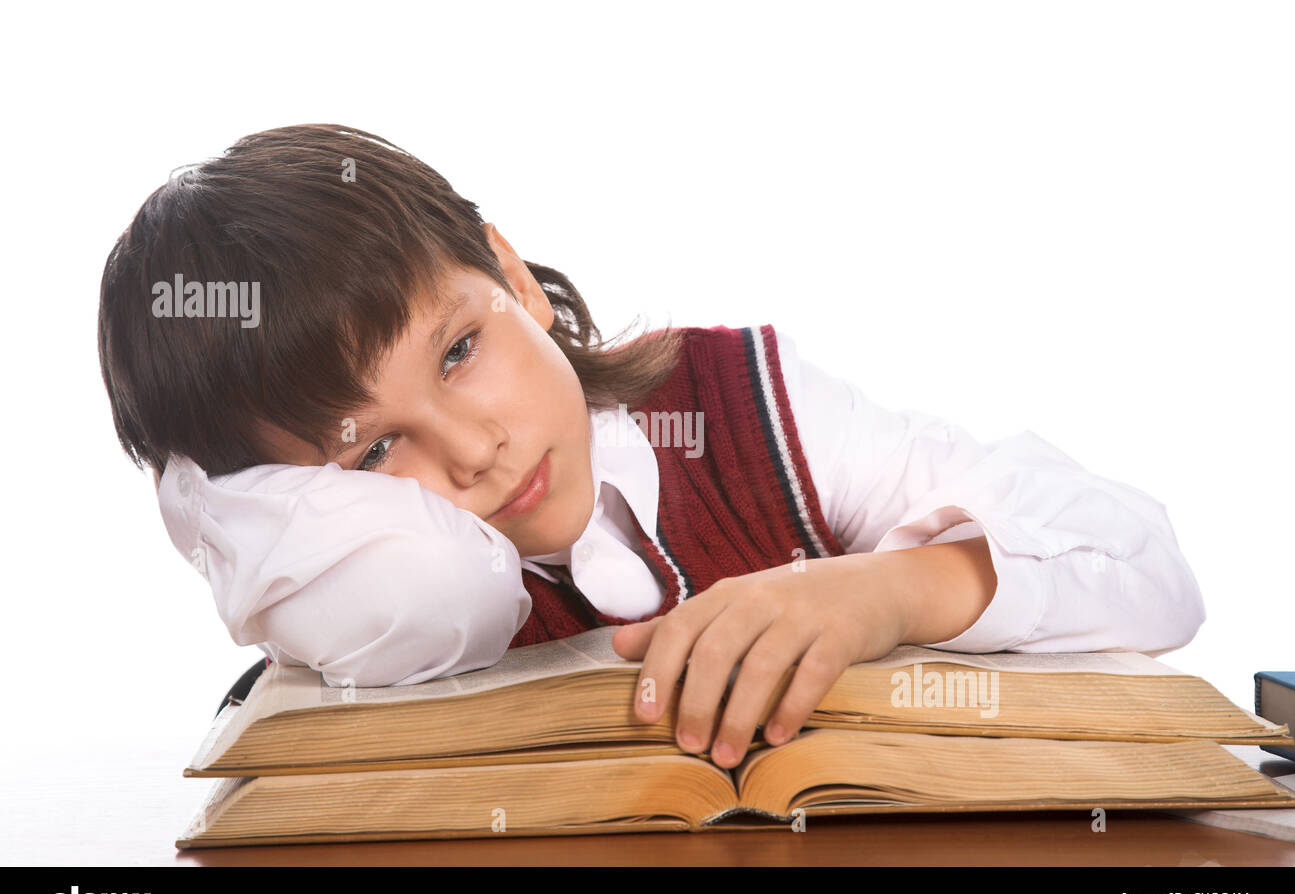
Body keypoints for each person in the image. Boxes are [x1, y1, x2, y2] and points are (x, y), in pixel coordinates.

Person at [101, 124, 1205, 771]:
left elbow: (1150, 573)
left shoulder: (740, 401)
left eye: (459, 350)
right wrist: (208, 502)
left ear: (512, 273)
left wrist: (882, 591)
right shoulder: (375, 605)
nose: (476, 447)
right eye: (379, 449)